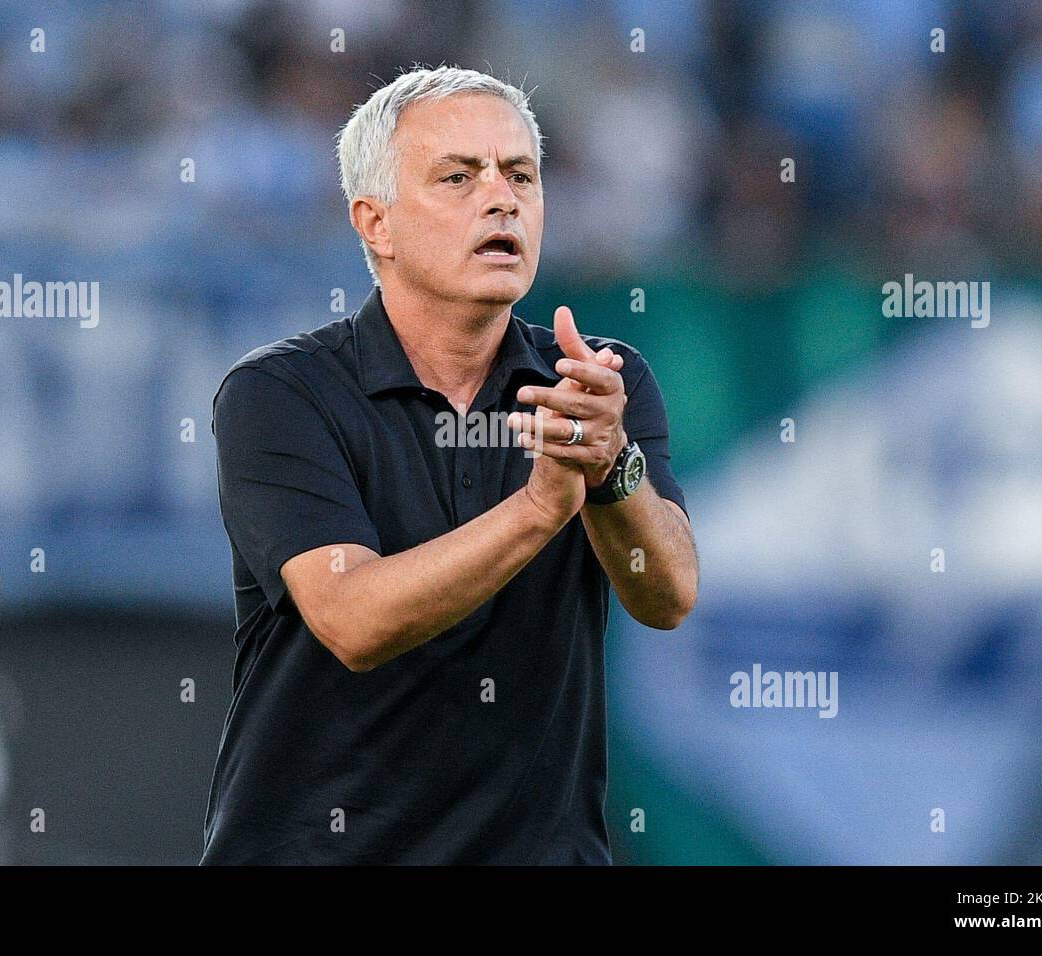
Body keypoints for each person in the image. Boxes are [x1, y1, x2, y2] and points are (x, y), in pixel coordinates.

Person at [201, 65, 697, 865]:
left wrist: (614, 467)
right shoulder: (280, 395)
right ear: (376, 224)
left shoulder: (600, 384)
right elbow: (355, 620)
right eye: (458, 177)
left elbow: (669, 595)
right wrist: (538, 509)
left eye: (521, 175)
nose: (501, 198)